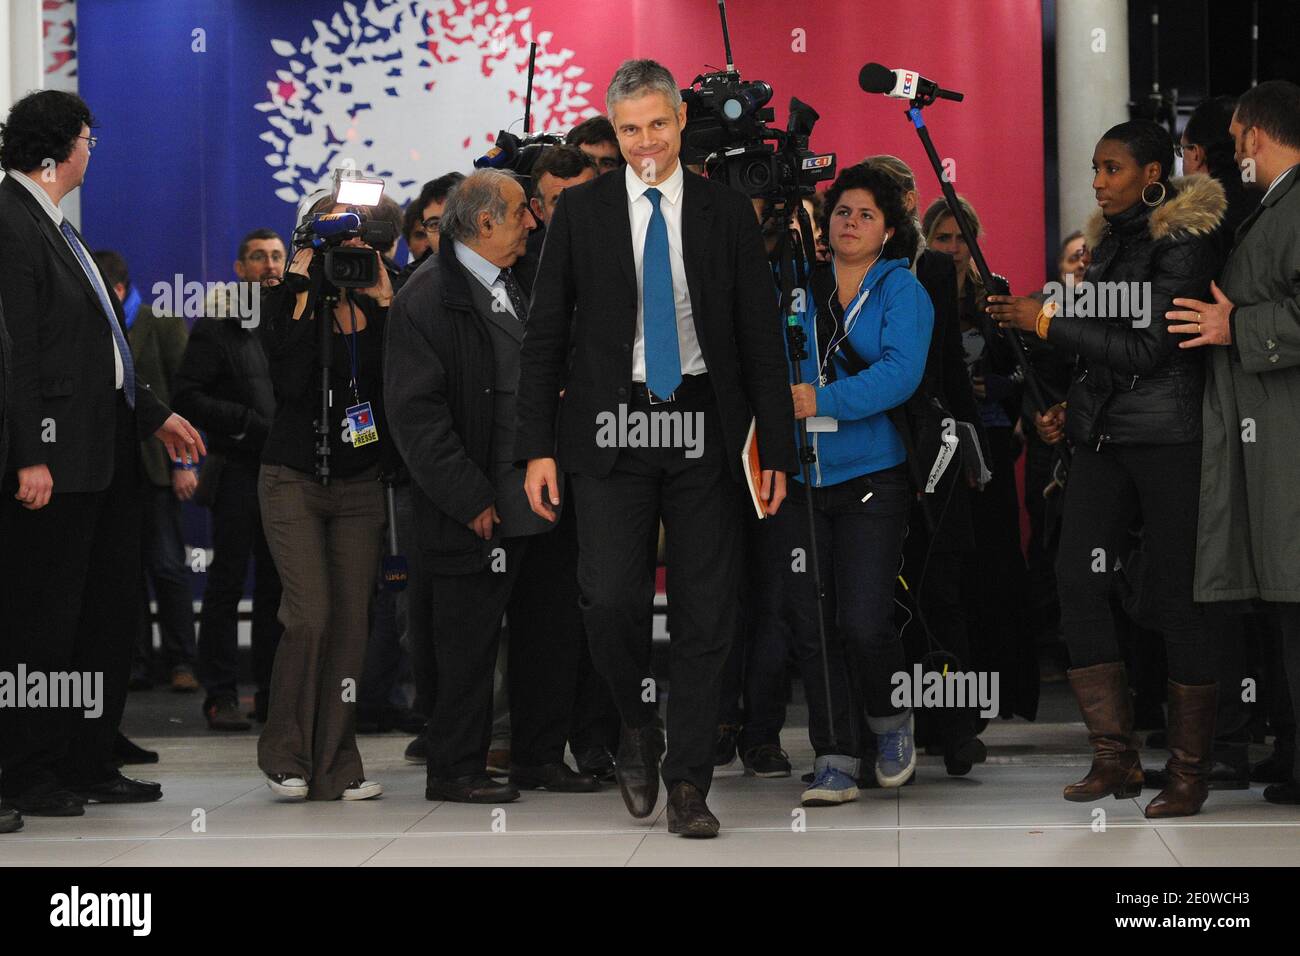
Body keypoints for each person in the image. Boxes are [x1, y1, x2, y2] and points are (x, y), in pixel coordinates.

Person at [517, 59, 796, 838]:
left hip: (705, 425)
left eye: (657, 125)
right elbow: (545, 338)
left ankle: (689, 783)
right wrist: (536, 445)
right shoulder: (580, 213)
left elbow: (760, 340)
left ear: (681, 122)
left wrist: (773, 446)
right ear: (615, 131)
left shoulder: (724, 212)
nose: (645, 143)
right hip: (614, 429)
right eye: (629, 129)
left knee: (711, 612)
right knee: (609, 599)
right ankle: (636, 724)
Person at [989, 119, 1228, 817]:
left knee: (1178, 601)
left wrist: (1045, 322)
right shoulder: (1109, 241)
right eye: (1095, 168)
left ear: (1153, 175)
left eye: (1113, 169)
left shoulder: (1183, 238)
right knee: (1075, 580)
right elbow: (1105, 347)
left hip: (1168, 441)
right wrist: (1072, 402)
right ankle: (1114, 759)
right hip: (1102, 441)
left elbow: (1152, 349)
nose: (1097, 181)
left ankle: (1189, 774)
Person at [0, 90, 204, 817]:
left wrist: (154, 414)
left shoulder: (59, 228)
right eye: (89, 138)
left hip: (104, 455)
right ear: (58, 149)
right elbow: (14, 356)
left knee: (101, 617)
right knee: (42, 622)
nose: (94, 151)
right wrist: (28, 454)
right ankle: (26, 770)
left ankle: (86, 757)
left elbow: (101, 353)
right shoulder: (10, 224)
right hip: (52, 466)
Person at [387, 169, 600, 801]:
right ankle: (454, 769)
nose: (533, 222)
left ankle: (538, 757)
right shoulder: (425, 298)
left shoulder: (526, 278)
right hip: (476, 505)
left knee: (549, 636)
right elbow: (416, 418)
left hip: (543, 497)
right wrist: (469, 498)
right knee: (467, 647)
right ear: (484, 224)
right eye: (520, 213)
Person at [772, 163, 933, 806]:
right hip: (804, 477)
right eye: (841, 211)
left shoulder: (902, 290)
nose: (850, 223)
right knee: (813, 623)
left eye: (866, 214)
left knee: (864, 621)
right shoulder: (797, 285)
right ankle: (834, 755)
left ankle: (891, 725)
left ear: (888, 229)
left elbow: (900, 375)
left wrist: (820, 398)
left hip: (873, 477)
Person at [1165, 80, 1300, 805]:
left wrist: (1234, 328)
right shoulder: (1276, 204)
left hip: (1289, 440)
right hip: (1271, 438)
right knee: (1285, 605)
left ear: (1251, 136)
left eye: (1235, 139)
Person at [253, 194, 396, 801]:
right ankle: (285, 754)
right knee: (309, 615)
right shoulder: (294, 297)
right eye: (341, 241)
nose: (352, 251)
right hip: (292, 475)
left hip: (361, 481)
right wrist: (302, 275)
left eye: (361, 239)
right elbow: (284, 372)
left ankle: (337, 762)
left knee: (351, 623)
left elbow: (402, 373)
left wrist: (384, 292)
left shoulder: (383, 295)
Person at [172, 229, 285, 730]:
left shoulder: (292, 323)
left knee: (278, 590)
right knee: (226, 584)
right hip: (237, 470)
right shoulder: (216, 328)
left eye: (277, 256)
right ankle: (219, 693)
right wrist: (244, 421)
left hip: (286, 474)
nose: (270, 265)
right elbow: (187, 396)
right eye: (258, 257)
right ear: (240, 268)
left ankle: (272, 692)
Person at [95, 249, 200, 695]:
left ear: (118, 289)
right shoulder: (94, 327)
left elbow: (184, 397)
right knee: (123, 572)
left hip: (157, 468)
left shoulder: (162, 323)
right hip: (110, 471)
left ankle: (182, 662)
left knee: (169, 568)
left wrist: (184, 463)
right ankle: (134, 662)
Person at [395, 172, 465, 292]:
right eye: (434, 224)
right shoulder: (410, 290)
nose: (445, 232)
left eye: (454, 220)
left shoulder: (505, 271)